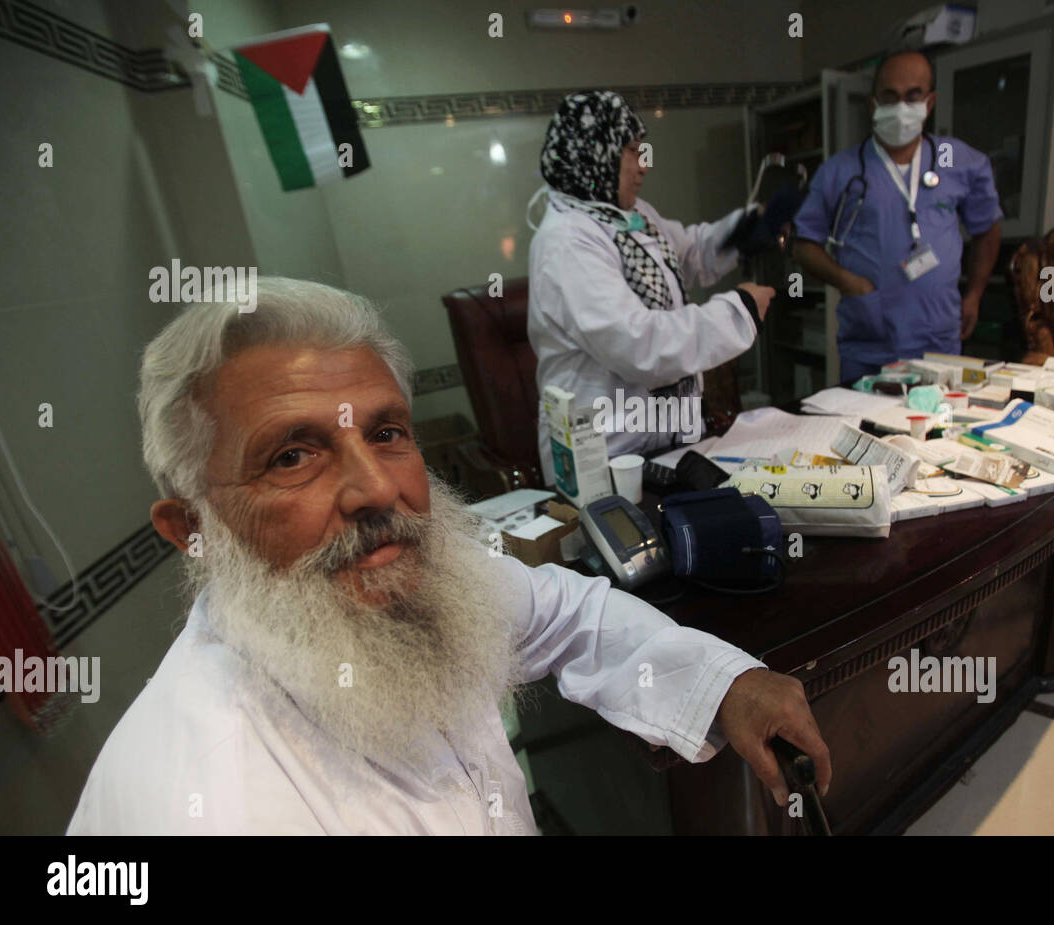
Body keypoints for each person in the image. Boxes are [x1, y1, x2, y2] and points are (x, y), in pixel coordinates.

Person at [67, 278, 829, 834]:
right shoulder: (205, 800)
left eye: (387, 432)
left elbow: (569, 613)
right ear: (191, 528)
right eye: (293, 455)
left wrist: (722, 681)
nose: (375, 488)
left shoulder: (394, 579)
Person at [528, 90, 776, 482]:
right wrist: (738, 311)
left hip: (664, 441)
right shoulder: (566, 243)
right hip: (605, 456)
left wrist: (748, 230)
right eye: (629, 150)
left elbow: (689, 252)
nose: (643, 165)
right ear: (593, 153)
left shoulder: (628, 214)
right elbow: (639, 346)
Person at [793, 50, 1003, 384]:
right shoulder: (841, 170)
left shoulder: (956, 161)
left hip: (939, 341)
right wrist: (849, 283)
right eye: (890, 97)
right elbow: (804, 243)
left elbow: (987, 227)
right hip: (870, 340)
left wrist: (975, 293)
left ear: (929, 103)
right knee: (863, 431)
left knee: (934, 430)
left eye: (913, 96)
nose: (901, 107)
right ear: (873, 103)